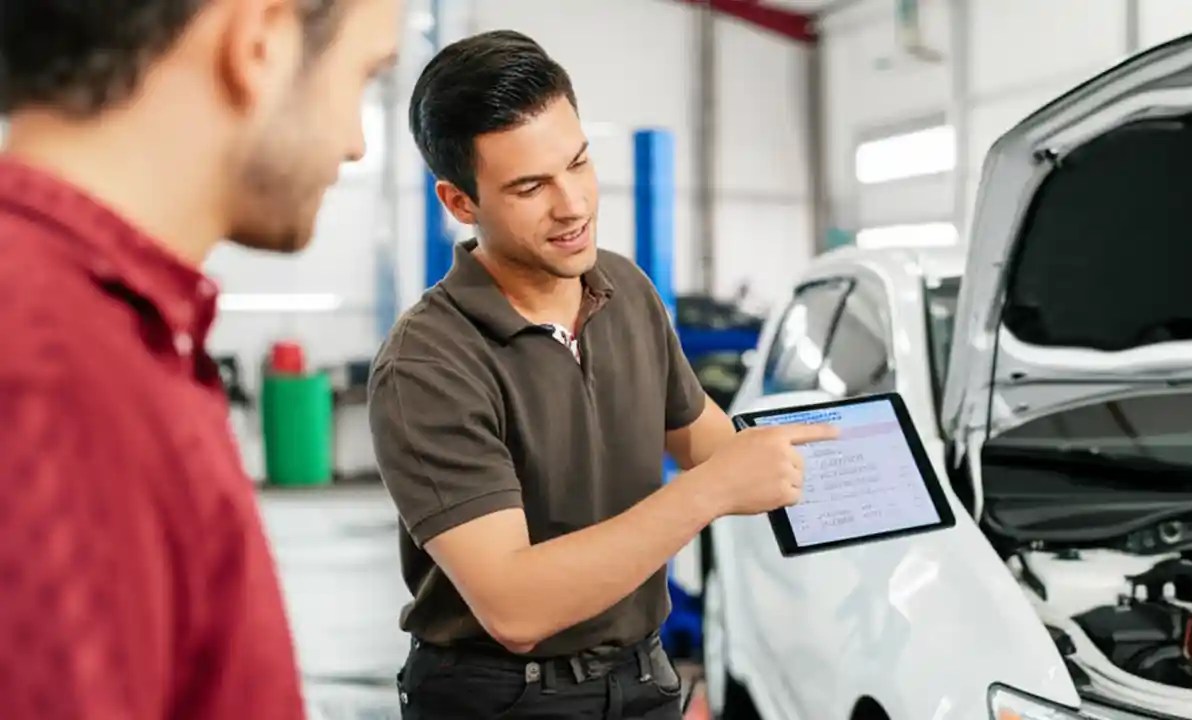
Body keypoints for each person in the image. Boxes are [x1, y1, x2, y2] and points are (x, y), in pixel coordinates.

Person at [368, 29, 836, 719]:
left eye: (579, 163)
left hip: (641, 677)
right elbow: (516, 607)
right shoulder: (428, 364)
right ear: (461, 202)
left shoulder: (624, 289)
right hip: (501, 699)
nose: (573, 205)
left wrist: (858, 472)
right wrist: (709, 493)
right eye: (531, 187)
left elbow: (710, 445)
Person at [0, 1, 400, 719]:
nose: (354, 143)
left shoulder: (115, 331)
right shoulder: (51, 373)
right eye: (364, 77)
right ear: (261, 42)